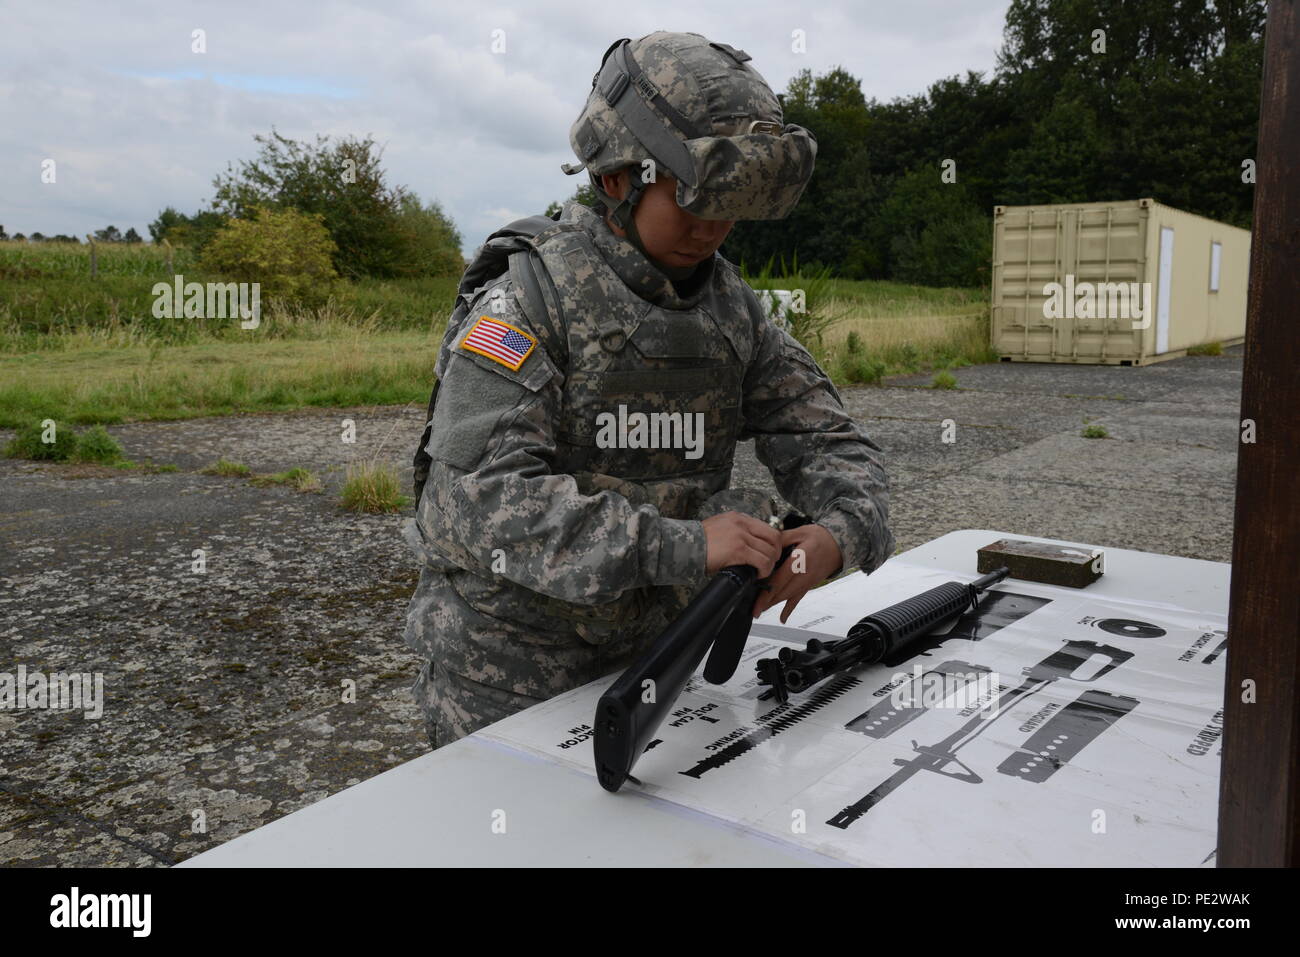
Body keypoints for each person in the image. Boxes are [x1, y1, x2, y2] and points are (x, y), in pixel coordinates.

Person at [401, 30, 895, 749]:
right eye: (693, 200)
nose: (714, 228)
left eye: (732, 205)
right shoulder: (531, 299)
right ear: (615, 177)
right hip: (506, 681)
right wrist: (684, 546)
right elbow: (472, 504)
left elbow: (832, 443)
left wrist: (832, 539)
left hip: (660, 670)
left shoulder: (734, 313)